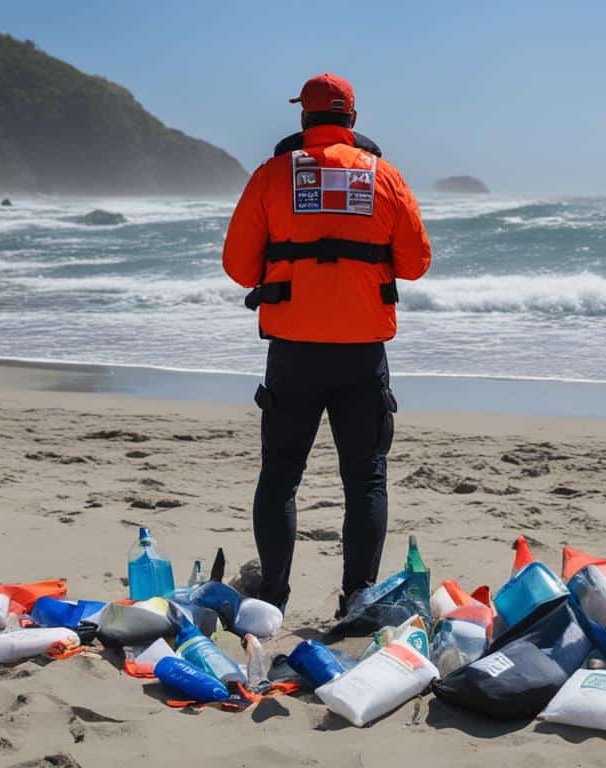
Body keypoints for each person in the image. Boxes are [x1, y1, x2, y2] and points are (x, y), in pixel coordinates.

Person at [222, 73, 432, 614]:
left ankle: (271, 599)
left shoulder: (271, 175)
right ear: (352, 120)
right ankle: (357, 599)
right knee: (365, 480)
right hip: (362, 353)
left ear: (304, 118)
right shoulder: (384, 176)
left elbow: (238, 267)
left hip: (292, 350)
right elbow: (415, 262)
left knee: (280, 477)